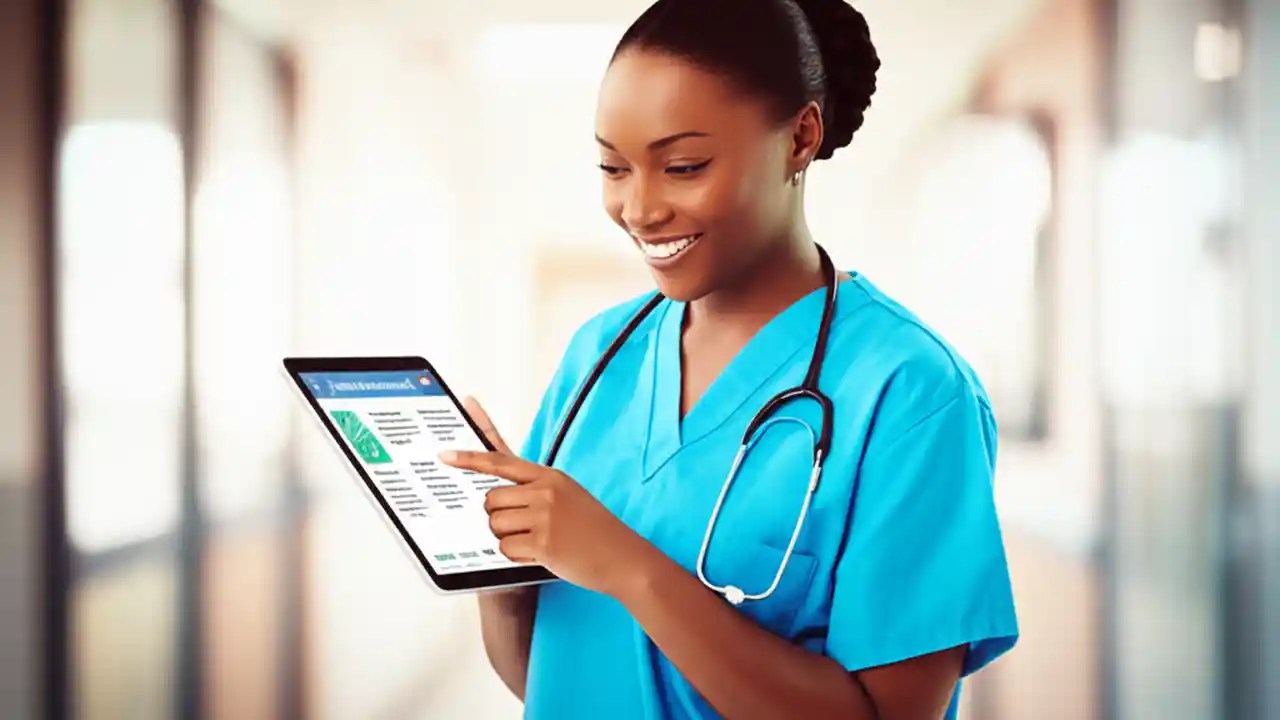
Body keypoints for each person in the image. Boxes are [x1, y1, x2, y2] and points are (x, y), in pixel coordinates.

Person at [439, 0, 1019, 716]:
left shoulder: (909, 392)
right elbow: (548, 677)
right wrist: (498, 575)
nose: (640, 208)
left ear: (800, 138)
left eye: (683, 166)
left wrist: (626, 565)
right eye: (613, 168)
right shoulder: (597, 355)